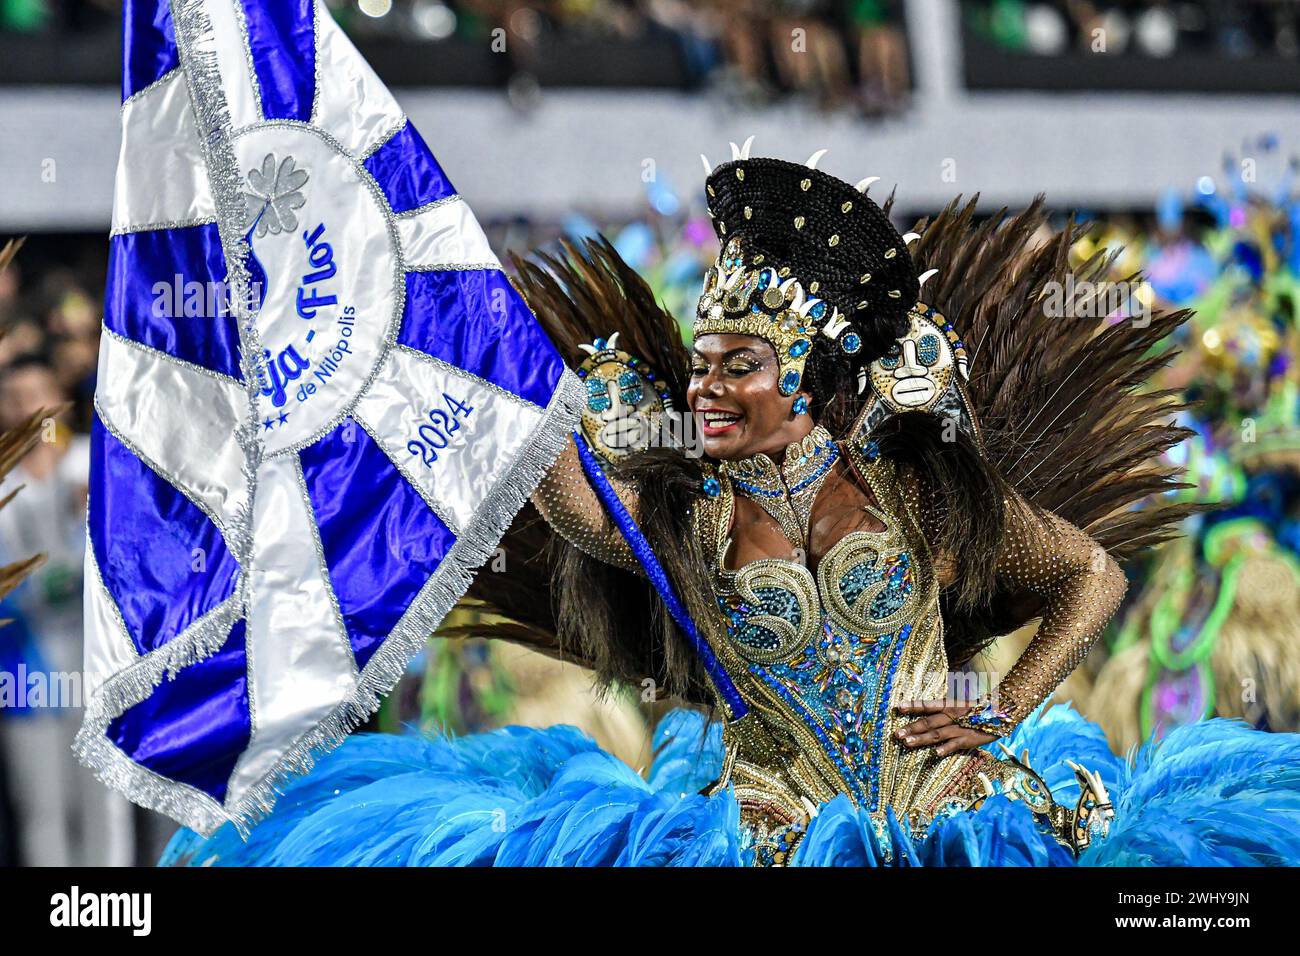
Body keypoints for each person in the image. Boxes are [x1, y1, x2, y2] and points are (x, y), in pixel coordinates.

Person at [163, 152, 1300, 867]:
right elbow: (573, 507)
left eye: (737, 364)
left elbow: (1089, 574)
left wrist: (1003, 704)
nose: (704, 385)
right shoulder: (685, 516)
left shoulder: (917, 488)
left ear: (805, 376)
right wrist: (471, 362)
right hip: (762, 840)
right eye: (700, 363)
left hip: (965, 825)